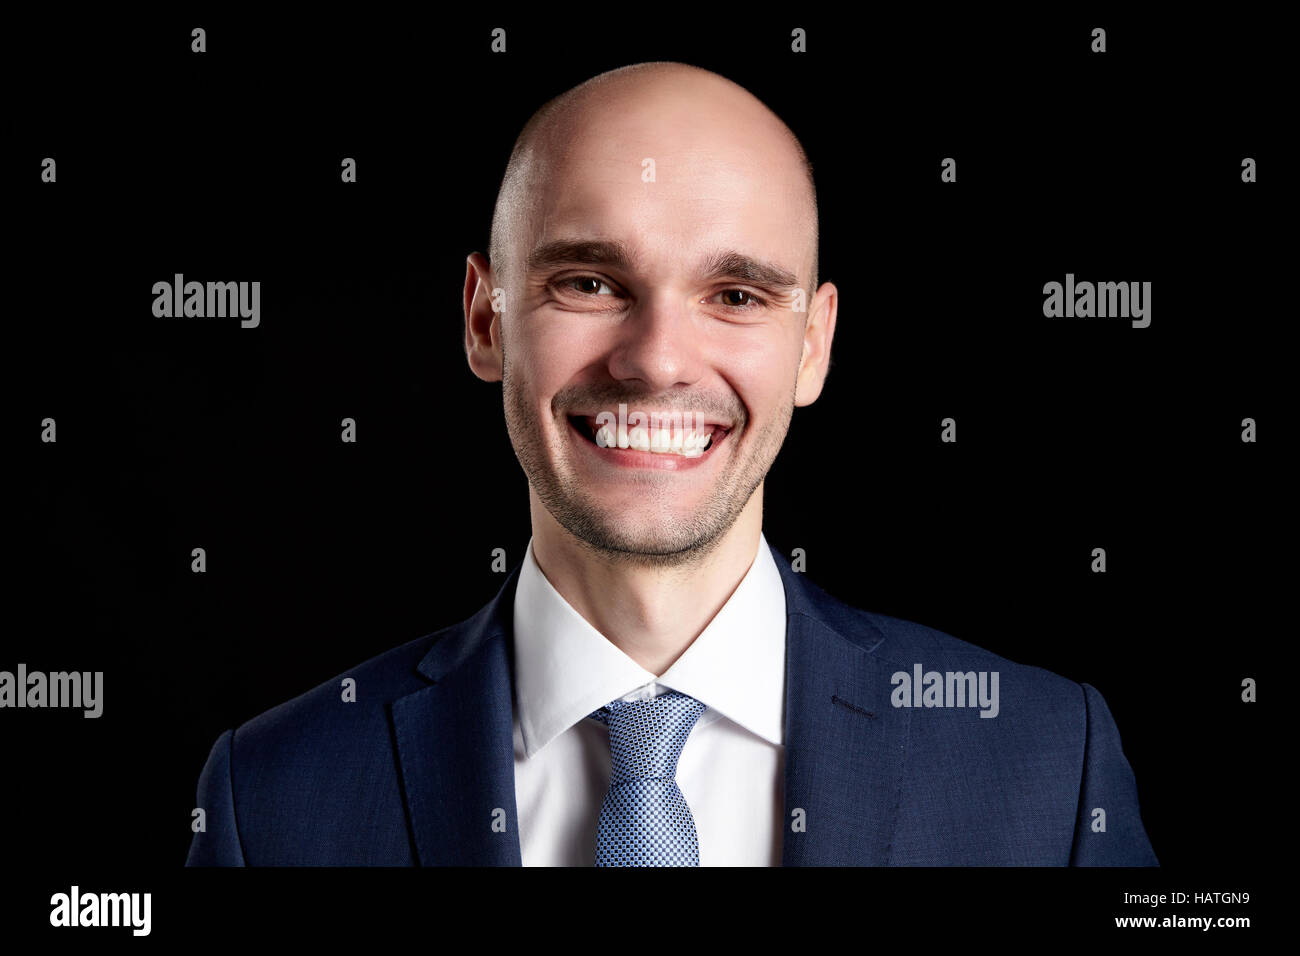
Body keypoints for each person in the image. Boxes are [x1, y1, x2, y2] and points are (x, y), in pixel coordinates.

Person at [186, 61, 1157, 866]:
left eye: (734, 294)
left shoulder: (1041, 762)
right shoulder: (269, 798)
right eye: (590, 281)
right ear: (485, 319)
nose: (654, 357)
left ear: (812, 344)